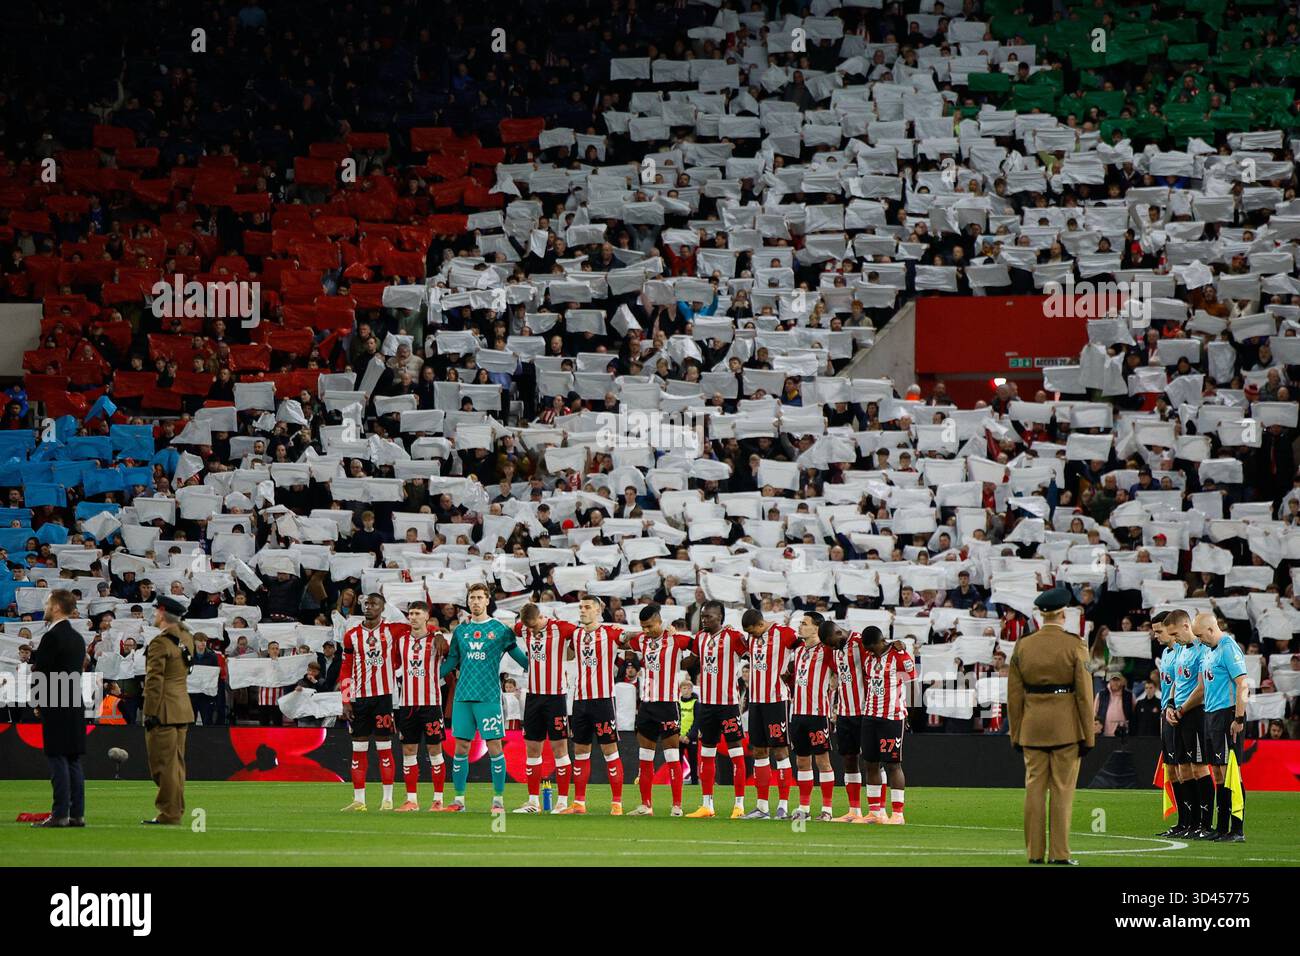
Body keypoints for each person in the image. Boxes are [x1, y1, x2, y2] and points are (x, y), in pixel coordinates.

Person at [1006, 588, 1095, 864]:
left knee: (1033, 789)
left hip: (1032, 726)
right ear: (1063, 613)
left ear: (1042, 615)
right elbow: (1084, 693)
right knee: (1062, 790)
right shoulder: (1074, 644)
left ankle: (1034, 853)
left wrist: (1016, 732)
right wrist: (1088, 735)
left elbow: (1014, 695)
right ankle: (1059, 854)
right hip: (1066, 727)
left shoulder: (1024, 645)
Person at [439, 582, 528, 813]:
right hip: (463, 697)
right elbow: (452, 661)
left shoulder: (500, 630)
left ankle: (498, 800)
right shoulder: (461, 631)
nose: (476, 601)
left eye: (480, 597)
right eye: (472, 598)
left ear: (488, 600)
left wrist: (537, 668)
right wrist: (433, 675)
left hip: (488, 696)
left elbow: (519, 656)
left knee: (495, 745)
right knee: (461, 747)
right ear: (468, 601)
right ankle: (459, 800)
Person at [338, 593, 407, 812]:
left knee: (384, 749)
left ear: (382, 608)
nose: (368, 607)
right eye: (366, 604)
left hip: (384, 698)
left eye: (374, 604)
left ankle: (387, 800)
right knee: (358, 749)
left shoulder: (393, 630)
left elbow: (420, 627)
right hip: (359, 699)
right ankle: (359, 800)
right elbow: (346, 668)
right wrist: (346, 699)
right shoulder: (351, 636)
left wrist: (437, 633)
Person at [681, 600, 749, 819]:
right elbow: (690, 661)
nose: (704, 620)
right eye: (702, 616)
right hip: (707, 705)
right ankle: (707, 805)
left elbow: (750, 652)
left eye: (708, 616)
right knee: (706, 753)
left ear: (720, 617)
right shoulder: (700, 638)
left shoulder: (732, 637)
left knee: (736, 753)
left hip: (728, 705)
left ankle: (739, 805)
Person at [561, 594, 628, 815]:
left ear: (598, 610)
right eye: (580, 607)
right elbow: (569, 655)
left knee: (610, 750)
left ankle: (617, 803)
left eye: (587, 607)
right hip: (580, 700)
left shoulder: (610, 633)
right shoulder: (577, 634)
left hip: (603, 700)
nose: (582, 610)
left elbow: (631, 637)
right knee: (580, 750)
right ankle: (579, 803)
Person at [1184, 613, 1248, 842]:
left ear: (1211, 630)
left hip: (1227, 714)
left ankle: (1237, 829)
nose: (1199, 640)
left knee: (1231, 772)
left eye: (1201, 635)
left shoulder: (1229, 648)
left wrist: (1238, 718)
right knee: (1219, 773)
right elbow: (1203, 686)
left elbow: (1243, 683)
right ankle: (1221, 828)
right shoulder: (1209, 652)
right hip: (1211, 715)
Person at [624, 603, 693, 816]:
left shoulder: (676, 639)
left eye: (649, 626)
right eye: (643, 627)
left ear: (659, 620)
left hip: (668, 705)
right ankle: (646, 805)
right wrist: (637, 632)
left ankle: (677, 806)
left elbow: (696, 645)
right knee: (645, 758)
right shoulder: (642, 639)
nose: (646, 631)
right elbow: (627, 638)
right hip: (647, 705)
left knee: (672, 756)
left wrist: (677, 632)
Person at [30, 589, 88, 828]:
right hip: (74, 700)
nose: (45, 607)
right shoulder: (77, 637)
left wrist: (36, 702)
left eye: (47, 604)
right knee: (73, 758)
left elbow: (40, 673)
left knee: (57, 756)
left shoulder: (51, 637)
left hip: (55, 700)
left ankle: (60, 813)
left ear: (55, 607)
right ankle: (77, 814)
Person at [512, 602, 577, 813]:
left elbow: (583, 634)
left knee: (560, 749)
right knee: (532, 749)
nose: (530, 631)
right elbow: (507, 632)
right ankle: (533, 802)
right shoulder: (522, 628)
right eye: (527, 628)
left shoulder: (562, 628)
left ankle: (562, 802)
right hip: (533, 696)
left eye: (533, 626)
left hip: (556, 697)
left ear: (541, 617)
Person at [740, 607, 799, 819]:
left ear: (760, 624)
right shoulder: (752, 637)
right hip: (756, 701)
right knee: (759, 751)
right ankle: (762, 807)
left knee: (781, 751)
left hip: (776, 701)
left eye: (752, 631)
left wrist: (790, 672)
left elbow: (802, 650)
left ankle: (783, 805)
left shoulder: (784, 633)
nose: (751, 635)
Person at [141, 595, 196, 826]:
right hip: (182, 707)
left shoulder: (160, 643)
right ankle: (175, 809)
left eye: (156, 612)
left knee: (163, 766)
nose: (154, 616)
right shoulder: (186, 638)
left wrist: (149, 712)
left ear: (162, 613)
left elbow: (154, 682)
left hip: (163, 710)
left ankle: (169, 813)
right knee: (176, 765)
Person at [856, 625, 916, 826]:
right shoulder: (868, 658)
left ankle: (898, 814)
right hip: (870, 716)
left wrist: (912, 713)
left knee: (893, 764)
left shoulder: (900, 656)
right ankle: (875, 813)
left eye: (871, 647)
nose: (869, 651)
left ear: (879, 642)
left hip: (891, 717)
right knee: (870, 763)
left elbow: (912, 683)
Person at [393, 602, 449, 812]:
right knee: (408, 751)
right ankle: (411, 800)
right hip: (407, 704)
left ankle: (438, 800)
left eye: (418, 613)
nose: (413, 617)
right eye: (411, 613)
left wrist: (437, 633)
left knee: (435, 750)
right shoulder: (401, 641)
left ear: (427, 616)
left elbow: (450, 654)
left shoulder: (437, 641)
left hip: (431, 703)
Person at [1164, 609, 1214, 838]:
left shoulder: (1202, 650)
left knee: (1199, 767)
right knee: (1183, 769)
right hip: (1181, 713)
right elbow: (1176, 682)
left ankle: (1205, 823)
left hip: (1196, 714)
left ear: (1186, 626)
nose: (1173, 638)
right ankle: (1189, 824)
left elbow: (1202, 688)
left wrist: (1182, 709)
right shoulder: (1182, 650)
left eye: (1175, 633)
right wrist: (1172, 704)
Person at [786, 614, 838, 822]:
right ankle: (804, 808)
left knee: (823, 762)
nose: (800, 627)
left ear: (817, 629)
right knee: (801, 761)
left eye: (804, 624)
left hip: (817, 714)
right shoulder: (798, 652)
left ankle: (827, 809)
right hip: (797, 714)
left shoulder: (826, 651)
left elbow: (839, 673)